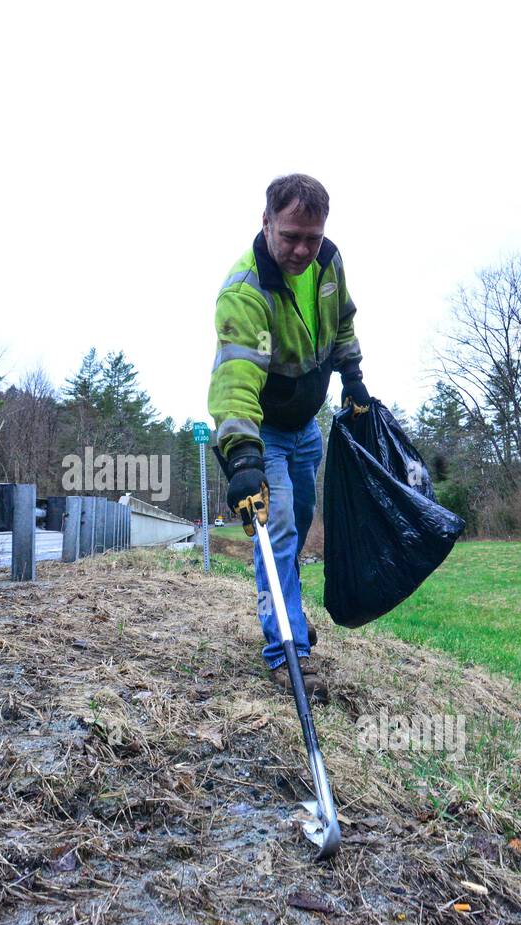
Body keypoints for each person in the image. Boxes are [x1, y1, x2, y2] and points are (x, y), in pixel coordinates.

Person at [207, 173, 370, 701]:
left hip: (308, 427)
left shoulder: (329, 264)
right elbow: (236, 376)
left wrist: (353, 378)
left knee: (298, 526)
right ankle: (286, 652)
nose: (302, 249)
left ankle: (290, 614)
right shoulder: (246, 291)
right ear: (266, 223)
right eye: (291, 236)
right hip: (267, 432)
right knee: (276, 530)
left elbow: (342, 322)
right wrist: (243, 456)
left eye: (312, 237)